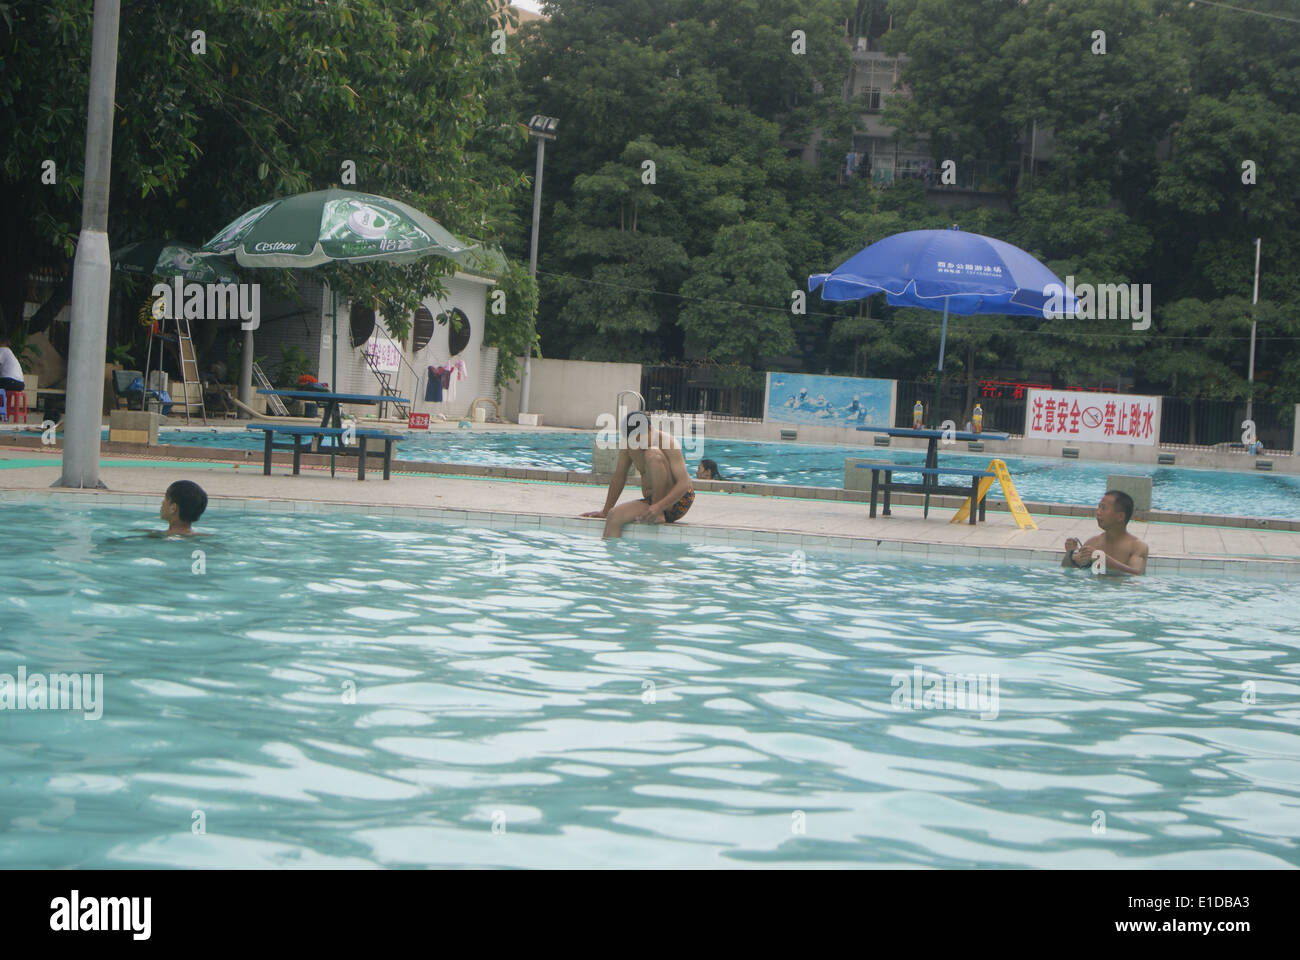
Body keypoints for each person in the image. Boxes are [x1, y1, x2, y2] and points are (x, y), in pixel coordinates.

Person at [582, 411, 694, 538]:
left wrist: (659, 507)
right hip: (652, 503)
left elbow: (685, 483)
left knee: (652, 454)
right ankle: (611, 551)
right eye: (634, 441)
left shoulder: (668, 442)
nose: (639, 444)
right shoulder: (629, 446)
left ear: (650, 429)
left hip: (677, 501)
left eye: (641, 438)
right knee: (614, 516)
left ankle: (658, 513)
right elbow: (619, 477)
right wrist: (606, 511)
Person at [1062, 489, 1148, 575]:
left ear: (1120, 516)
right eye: (1099, 507)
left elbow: (1137, 573)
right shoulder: (1093, 543)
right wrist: (1069, 553)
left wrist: (1103, 558)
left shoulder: (1137, 547)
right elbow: (1069, 568)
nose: (1098, 512)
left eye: (1103, 508)